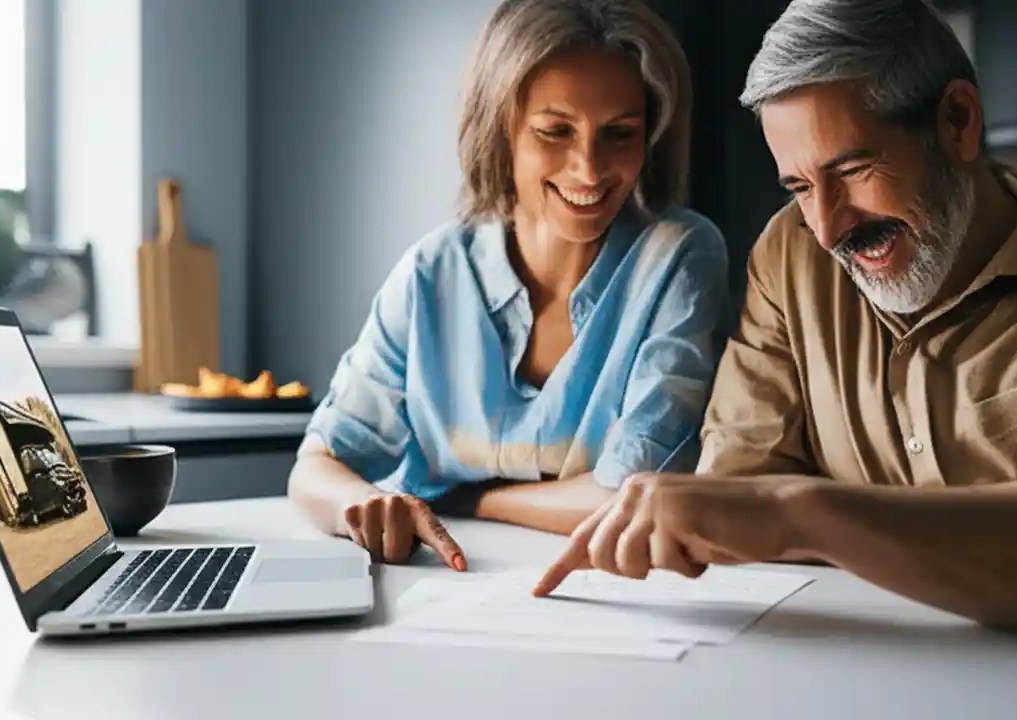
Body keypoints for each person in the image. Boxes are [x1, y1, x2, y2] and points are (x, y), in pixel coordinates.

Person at [536, 0, 1017, 630]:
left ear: (959, 122)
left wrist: (802, 512)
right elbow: (736, 497)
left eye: (852, 168)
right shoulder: (792, 257)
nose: (826, 229)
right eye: (798, 187)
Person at [289, 0, 727, 571]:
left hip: (613, 592)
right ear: (501, 131)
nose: (589, 170)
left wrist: (471, 498)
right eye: (555, 131)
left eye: (620, 134)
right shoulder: (431, 272)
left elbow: (635, 496)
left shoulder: (680, 257)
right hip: (440, 585)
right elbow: (315, 467)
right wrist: (369, 504)